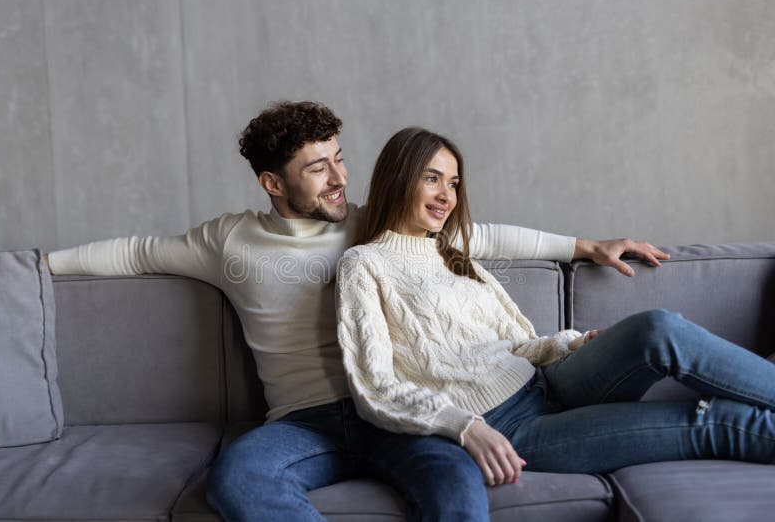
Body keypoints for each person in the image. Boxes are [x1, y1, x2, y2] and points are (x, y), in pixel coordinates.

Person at [44, 101, 668, 521]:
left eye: (339, 157)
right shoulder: (227, 242)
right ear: (272, 183)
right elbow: (133, 252)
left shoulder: (371, 223)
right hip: (304, 423)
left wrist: (586, 246)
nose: (340, 177)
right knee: (237, 480)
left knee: (455, 486)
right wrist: (31, 267)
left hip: (399, 405)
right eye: (318, 168)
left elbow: (481, 235)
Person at [335, 126, 775, 521]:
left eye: (452, 182)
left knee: (659, 330)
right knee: (715, 422)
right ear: (398, 178)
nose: (447, 195)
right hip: (511, 427)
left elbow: (520, 344)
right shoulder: (365, 264)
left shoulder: (454, 255)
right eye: (432, 178)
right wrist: (464, 425)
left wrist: (574, 343)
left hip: (550, 381)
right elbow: (374, 386)